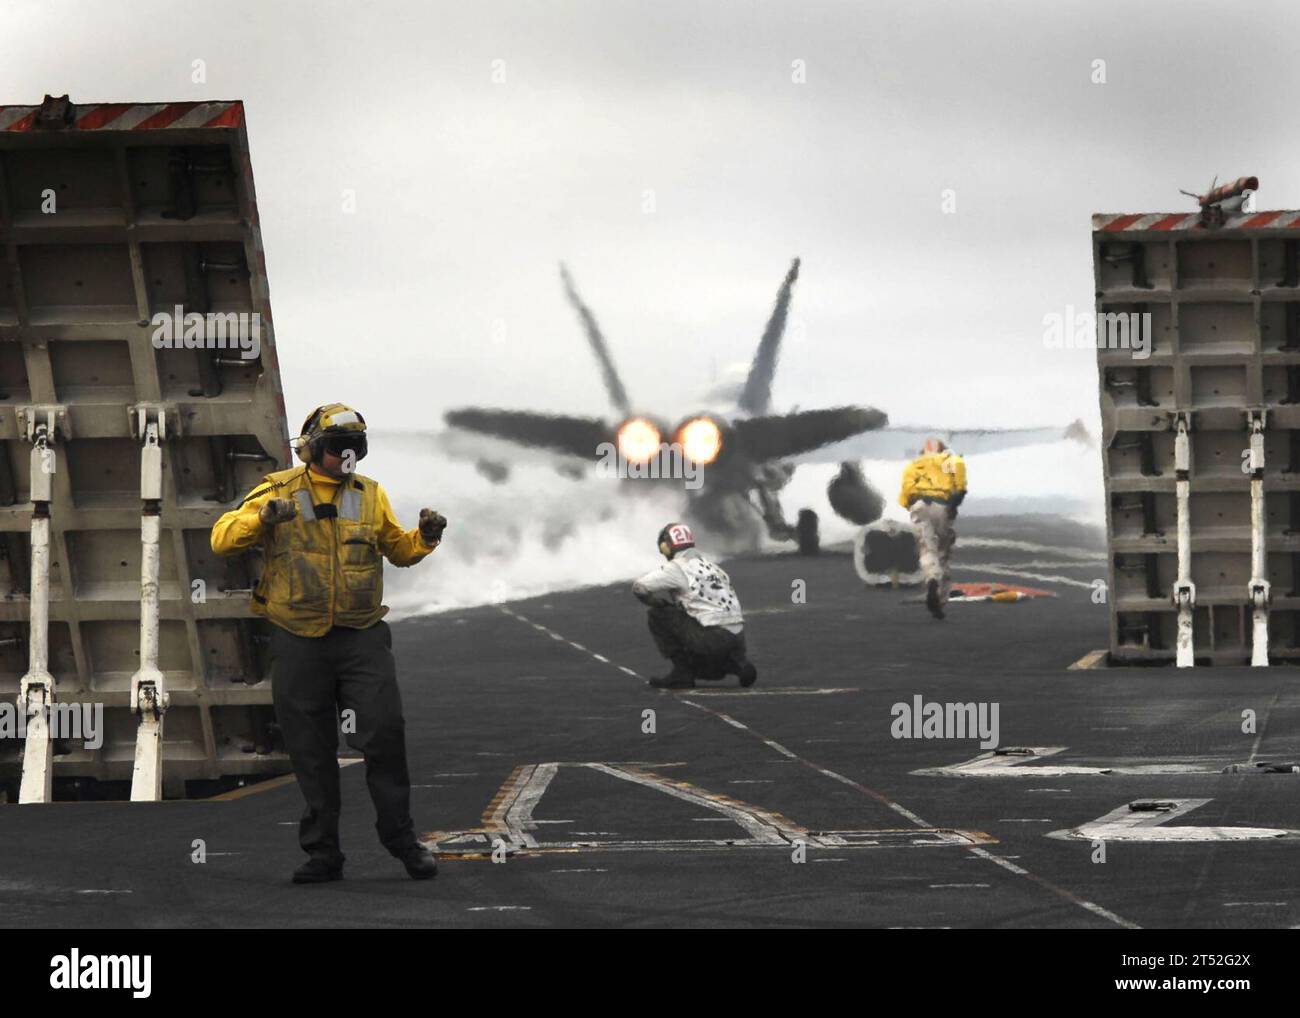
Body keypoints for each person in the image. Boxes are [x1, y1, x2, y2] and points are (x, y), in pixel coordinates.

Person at [211, 403, 447, 884]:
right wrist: (262, 520)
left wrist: (424, 537)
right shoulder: (277, 490)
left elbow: (397, 551)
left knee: (384, 733)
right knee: (311, 750)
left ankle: (402, 842)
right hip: (299, 640)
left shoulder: (369, 494)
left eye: (352, 446)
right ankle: (324, 854)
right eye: (337, 446)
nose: (346, 455)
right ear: (313, 449)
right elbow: (221, 538)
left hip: (361, 637)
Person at [631, 522, 757, 690]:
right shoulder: (715, 568)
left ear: (667, 546)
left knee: (658, 614)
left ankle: (682, 673)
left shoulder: (676, 567)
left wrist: (655, 602)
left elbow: (639, 587)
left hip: (712, 639)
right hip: (738, 639)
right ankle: (738, 665)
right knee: (705, 630)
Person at [899, 438, 966, 619]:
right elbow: (960, 490)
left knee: (927, 548)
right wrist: (951, 509)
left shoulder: (914, 466)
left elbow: (905, 495)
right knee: (943, 551)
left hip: (920, 506)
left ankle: (932, 579)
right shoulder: (954, 462)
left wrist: (913, 508)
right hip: (943, 506)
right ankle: (940, 600)